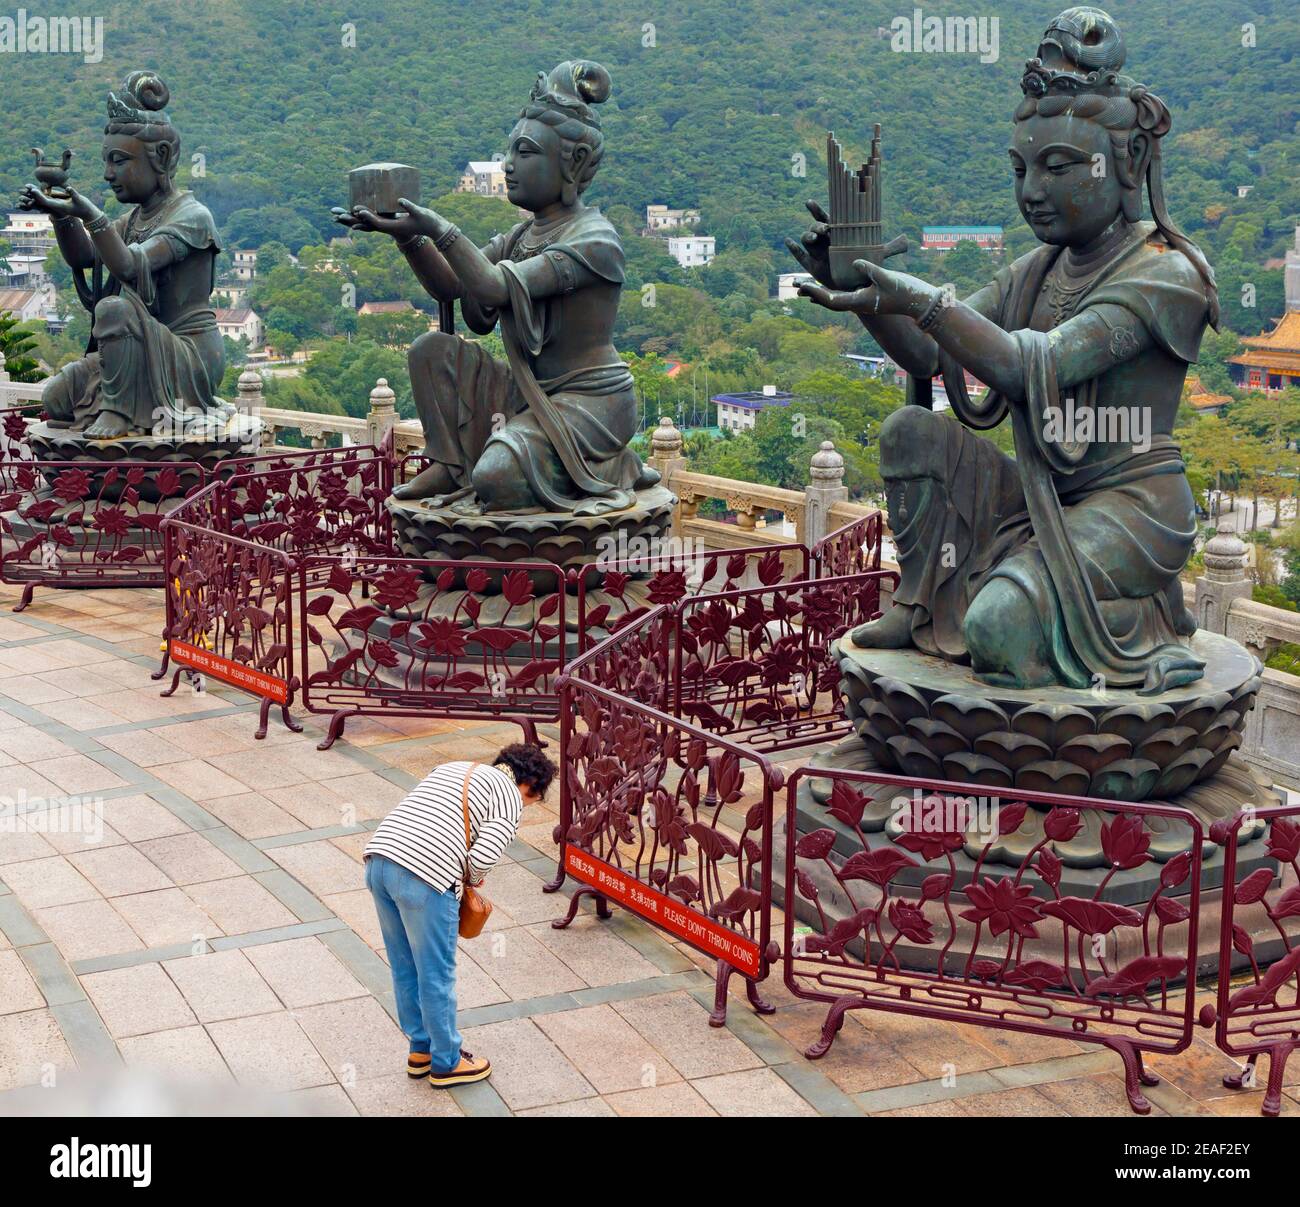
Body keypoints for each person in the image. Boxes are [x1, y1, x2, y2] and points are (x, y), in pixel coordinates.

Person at [788, 7, 1214, 696]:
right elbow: (930, 357)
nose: (1032, 192)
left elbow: (1026, 361)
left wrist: (921, 297)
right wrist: (866, 290)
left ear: (1128, 161)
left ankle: (1118, 634)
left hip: (1130, 506)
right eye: (1021, 169)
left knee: (998, 629)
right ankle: (919, 601)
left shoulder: (1167, 274)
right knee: (909, 433)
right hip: (1042, 493)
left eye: (1058, 167)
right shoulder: (1039, 268)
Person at [332, 59, 657, 517]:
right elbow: (451, 287)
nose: (508, 165)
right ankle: (449, 461)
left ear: (574, 163)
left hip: (588, 401)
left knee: (495, 478)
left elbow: (492, 288)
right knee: (430, 348)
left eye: (524, 153)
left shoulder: (594, 240)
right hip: (526, 393)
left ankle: (609, 461)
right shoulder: (520, 237)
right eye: (509, 152)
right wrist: (406, 234)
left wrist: (441, 227)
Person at [18, 71, 225, 439]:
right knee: (57, 399)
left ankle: (119, 411)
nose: (108, 174)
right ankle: (117, 405)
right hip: (136, 349)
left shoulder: (192, 217)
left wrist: (92, 216)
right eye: (106, 162)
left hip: (186, 355)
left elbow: (129, 265)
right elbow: (85, 257)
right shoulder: (131, 220)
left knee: (114, 309)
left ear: (160, 157)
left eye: (118, 161)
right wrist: (62, 215)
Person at [363, 743, 556, 1087]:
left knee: (405, 965)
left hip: (380, 861)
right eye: (535, 800)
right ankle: (447, 1061)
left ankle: (420, 1049)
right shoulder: (510, 797)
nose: (528, 806)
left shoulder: (452, 767)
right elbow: (482, 858)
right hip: (425, 876)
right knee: (436, 973)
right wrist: (471, 878)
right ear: (531, 786)